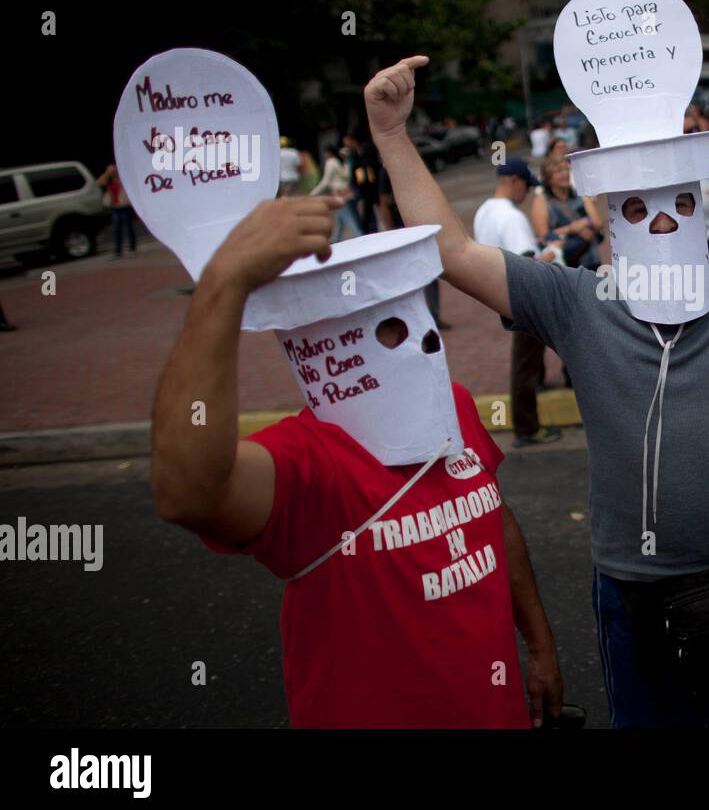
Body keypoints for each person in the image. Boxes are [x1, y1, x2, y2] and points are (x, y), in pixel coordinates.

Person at [365, 0, 709, 729]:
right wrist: (393, 136)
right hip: (632, 592)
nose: (659, 222)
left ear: (704, 206)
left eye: (679, 202)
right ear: (608, 217)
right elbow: (455, 253)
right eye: (636, 207)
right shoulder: (576, 302)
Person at [149, 195, 565, 728]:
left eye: (419, 310)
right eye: (392, 323)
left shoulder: (453, 405)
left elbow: (494, 520)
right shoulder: (308, 462)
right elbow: (185, 491)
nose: (428, 338)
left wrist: (540, 647)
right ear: (328, 348)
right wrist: (223, 285)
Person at [474, 159, 564, 447]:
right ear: (514, 180)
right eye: (526, 185)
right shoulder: (512, 218)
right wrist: (552, 250)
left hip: (500, 293)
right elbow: (529, 266)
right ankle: (527, 429)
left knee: (529, 359)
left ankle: (539, 385)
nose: (526, 194)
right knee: (524, 363)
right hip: (523, 297)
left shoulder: (483, 211)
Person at [531, 143, 602, 269]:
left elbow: (598, 223)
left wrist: (585, 223)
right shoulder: (542, 200)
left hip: (591, 260)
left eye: (566, 169)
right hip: (564, 266)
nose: (564, 174)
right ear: (548, 178)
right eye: (558, 171)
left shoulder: (580, 194)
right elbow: (544, 236)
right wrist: (572, 228)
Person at [310, 146, 363, 242]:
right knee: (340, 219)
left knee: (347, 217)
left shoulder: (330, 163)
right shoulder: (339, 162)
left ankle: (359, 235)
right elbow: (346, 176)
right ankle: (337, 240)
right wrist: (347, 163)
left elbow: (326, 181)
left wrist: (314, 192)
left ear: (329, 153)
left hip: (338, 193)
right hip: (346, 191)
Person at [96, 162, 136, 258]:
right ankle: (118, 251)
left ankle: (132, 248)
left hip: (124, 206)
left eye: (113, 170)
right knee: (117, 229)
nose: (112, 172)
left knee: (128, 227)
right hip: (115, 207)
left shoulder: (122, 179)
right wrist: (107, 173)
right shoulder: (108, 180)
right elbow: (98, 183)